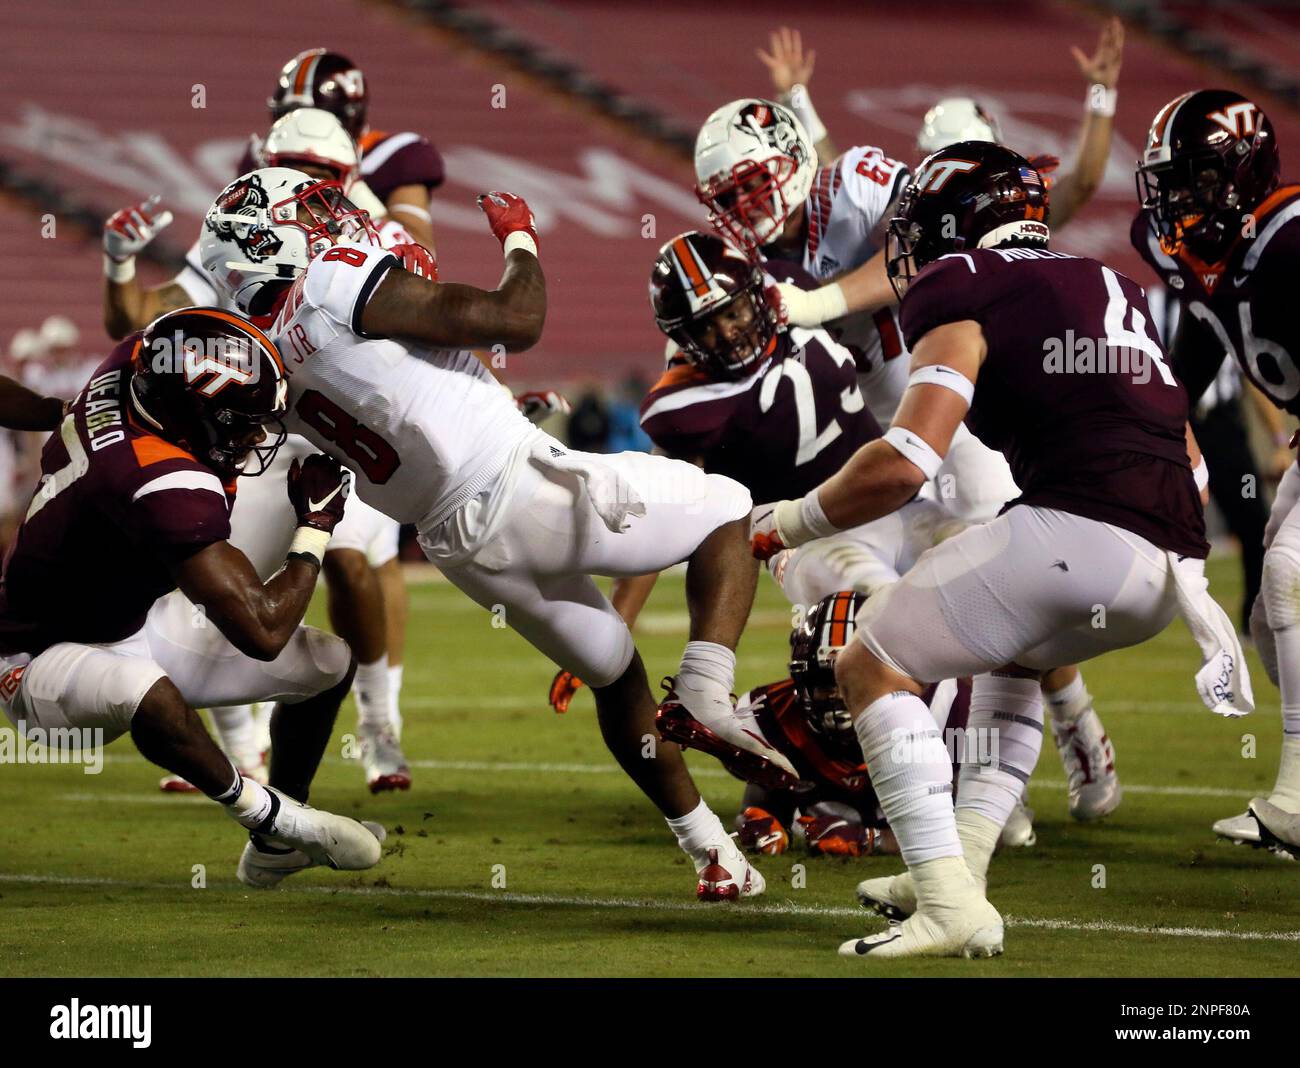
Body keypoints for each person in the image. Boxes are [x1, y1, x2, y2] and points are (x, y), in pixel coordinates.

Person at [197, 167, 790, 899]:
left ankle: (713, 854)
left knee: (612, 669)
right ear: (268, 240)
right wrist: (520, 238)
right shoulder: (329, 280)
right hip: (521, 487)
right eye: (310, 213)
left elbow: (388, 394)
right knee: (728, 506)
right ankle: (706, 688)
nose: (330, 222)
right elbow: (515, 319)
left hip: (459, 544)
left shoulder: (258, 351)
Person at [745, 143, 1245, 959]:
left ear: (953, 224)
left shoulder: (963, 282)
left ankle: (946, 904)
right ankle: (962, 870)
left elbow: (907, 461)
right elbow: (1189, 453)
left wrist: (789, 522)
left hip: (1083, 532)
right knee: (1007, 662)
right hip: (1174, 563)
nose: (906, 250)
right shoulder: (1107, 280)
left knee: (868, 665)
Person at [0, 307, 384, 886]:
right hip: (36, 661)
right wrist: (317, 524)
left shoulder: (135, 363)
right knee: (145, 691)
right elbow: (262, 632)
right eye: (240, 421)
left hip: (134, 621)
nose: (256, 436)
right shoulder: (156, 479)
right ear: (188, 414)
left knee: (327, 663)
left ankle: (274, 848)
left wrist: (58, 415)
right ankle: (272, 816)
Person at [1129, 89, 1300, 852]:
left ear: (1239, 174)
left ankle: (1296, 797)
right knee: (1268, 620)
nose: (1175, 203)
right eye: (1171, 185)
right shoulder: (1205, 249)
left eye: (1194, 181)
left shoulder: (1292, 242)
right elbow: (1200, 340)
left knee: (1290, 576)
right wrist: (1151, 421)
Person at [734, 591, 972, 860]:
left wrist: (873, 840)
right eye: (824, 681)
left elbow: (980, 832)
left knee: (1012, 828)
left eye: (850, 678)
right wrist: (759, 825)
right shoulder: (771, 715)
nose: (837, 693)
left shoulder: (946, 704)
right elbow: (755, 810)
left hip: (936, 817)